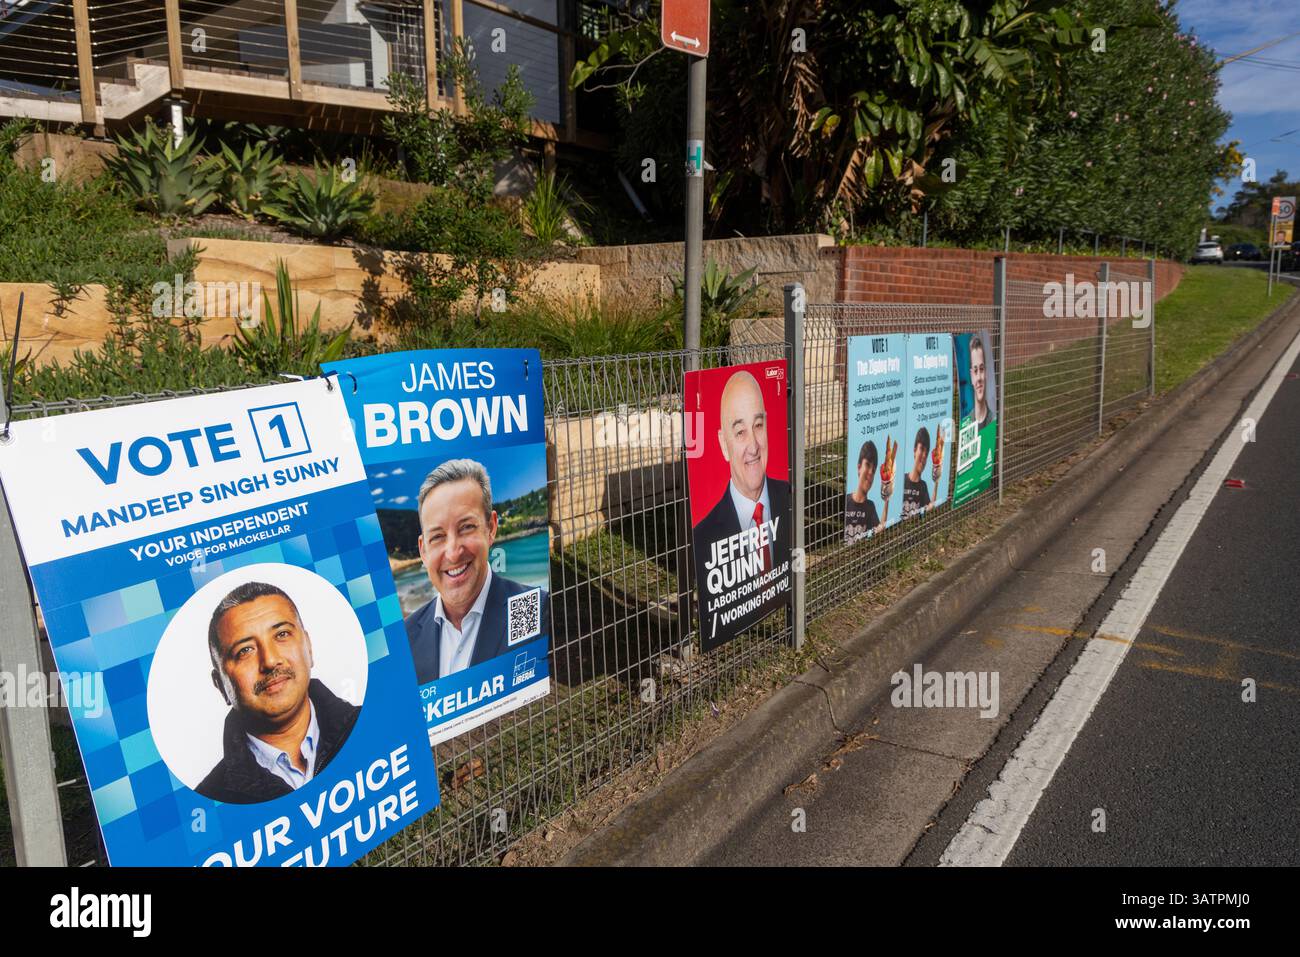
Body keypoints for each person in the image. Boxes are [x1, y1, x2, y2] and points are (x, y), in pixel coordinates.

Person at [197, 581, 359, 804]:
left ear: (309, 648)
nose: (270, 660)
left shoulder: (376, 721)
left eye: (282, 634)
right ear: (221, 685)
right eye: (245, 651)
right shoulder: (210, 800)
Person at [404, 459, 550, 684]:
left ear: (491, 527)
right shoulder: (405, 637)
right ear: (423, 550)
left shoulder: (533, 608)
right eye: (438, 537)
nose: (453, 553)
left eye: (466, 527)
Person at [693, 370, 791, 571]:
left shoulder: (791, 499)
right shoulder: (702, 537)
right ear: (723, 444)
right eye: (740, 432)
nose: (753, 446)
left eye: (758, 425)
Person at [845, 439, 891, 543]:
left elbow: (880, 529)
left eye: (874, 470)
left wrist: (887, 499)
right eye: (867, 465)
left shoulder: (870, 507)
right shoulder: (846, 500)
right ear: (859, 467)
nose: (870, 472)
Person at [901, 426, 932, 520]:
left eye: (926, 453)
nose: (923, 456)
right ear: (914, 451)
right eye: (921, 449)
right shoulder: (902, 480)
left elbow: (928, 507)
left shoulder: (923, 486)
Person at [969, 336, 993, 430]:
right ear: (971, 376)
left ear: (986, 372)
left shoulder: (992, 420)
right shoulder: (967, 424)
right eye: (975, 371)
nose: (979, 378)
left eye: (981, 369)